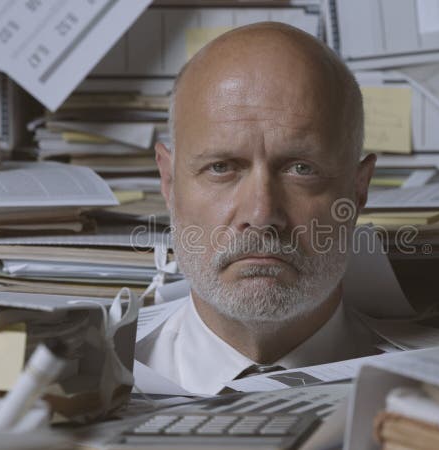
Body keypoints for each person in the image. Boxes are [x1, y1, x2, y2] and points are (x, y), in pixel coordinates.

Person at [136, 22, 379, 394]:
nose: (262, 215)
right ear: (168, 183)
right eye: (221, 168)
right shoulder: (84, 382)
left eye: (301, 169)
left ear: (358, 189)